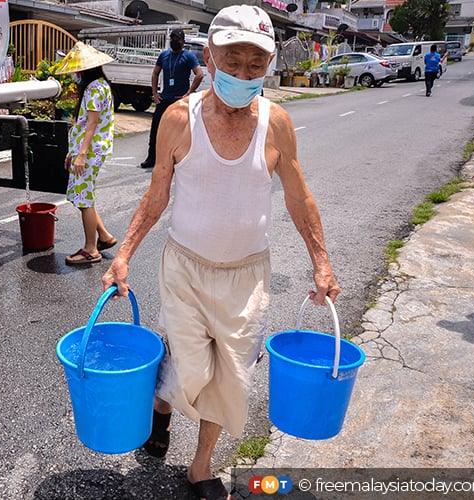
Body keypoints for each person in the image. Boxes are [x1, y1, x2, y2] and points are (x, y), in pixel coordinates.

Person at [101, 5, 340, 499]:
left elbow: (299, 196)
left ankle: (201, 467)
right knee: (192, 368)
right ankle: (162, 411)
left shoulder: (276, 124)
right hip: (185, 269)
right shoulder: (178, 118)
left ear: (269, 65)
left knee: (230, 377)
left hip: (247, 277)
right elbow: (156, 194)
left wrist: (321, 262)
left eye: (256, 64)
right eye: (232, 60)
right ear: (208, 57)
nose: (243, 73)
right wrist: (122, 254)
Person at [54, 41, 119, 265]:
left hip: (90, 151)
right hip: (91, 150)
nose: (76, 74)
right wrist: (74, 152)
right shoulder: (102, 85)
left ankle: (91, 249)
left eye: (78, 70)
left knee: (84, 198)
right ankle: (104, 236)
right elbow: (85, 125)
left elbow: (91, 125)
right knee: (84, 195)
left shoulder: (93, 89)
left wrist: (81, 154)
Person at [139, 28, 205, 169]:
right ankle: (152, 158)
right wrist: (155, 94)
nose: (175, 41)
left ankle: (178, 159)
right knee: (156, 129)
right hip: (164, 98)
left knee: (180, 132)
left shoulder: (188, 56)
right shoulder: (164, 55)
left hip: (180, 100)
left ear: (183, 41)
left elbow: (199, 74)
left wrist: (189, 93)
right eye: (173, 38)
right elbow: (155, 73)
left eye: (178, 39)